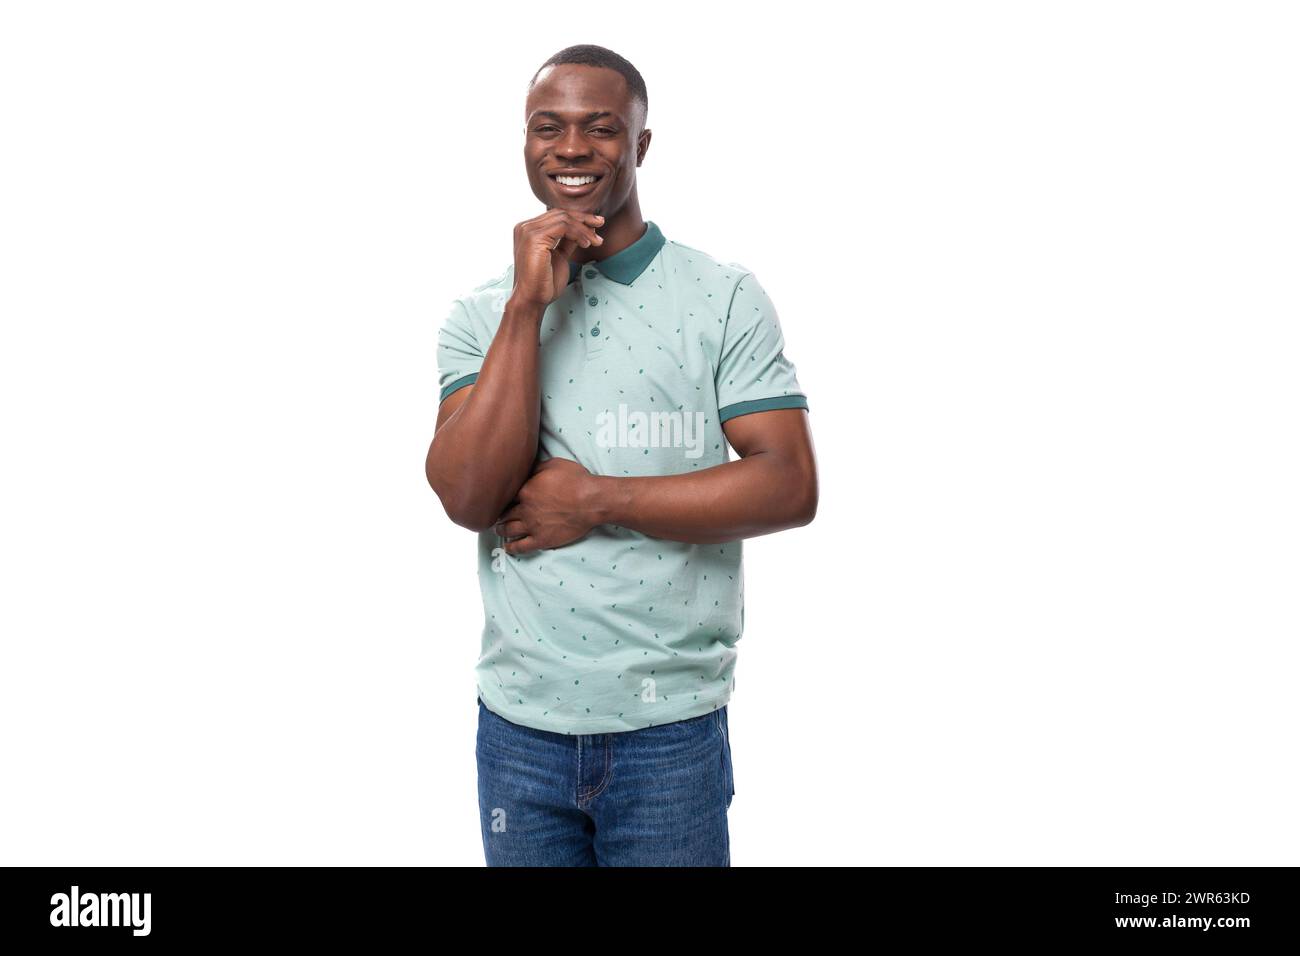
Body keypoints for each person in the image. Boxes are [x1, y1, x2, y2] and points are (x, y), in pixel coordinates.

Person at [425, 44, 818, 866]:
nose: (572, 148)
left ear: (640, 144)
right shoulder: (481, 314)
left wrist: (598, 499)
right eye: (549, 128)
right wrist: (528, 307)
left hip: (667, 729)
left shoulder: (722, 297)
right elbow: (468, 495)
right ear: (525, 143)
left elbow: (787, 484)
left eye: (601, 128)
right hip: (519, 728)